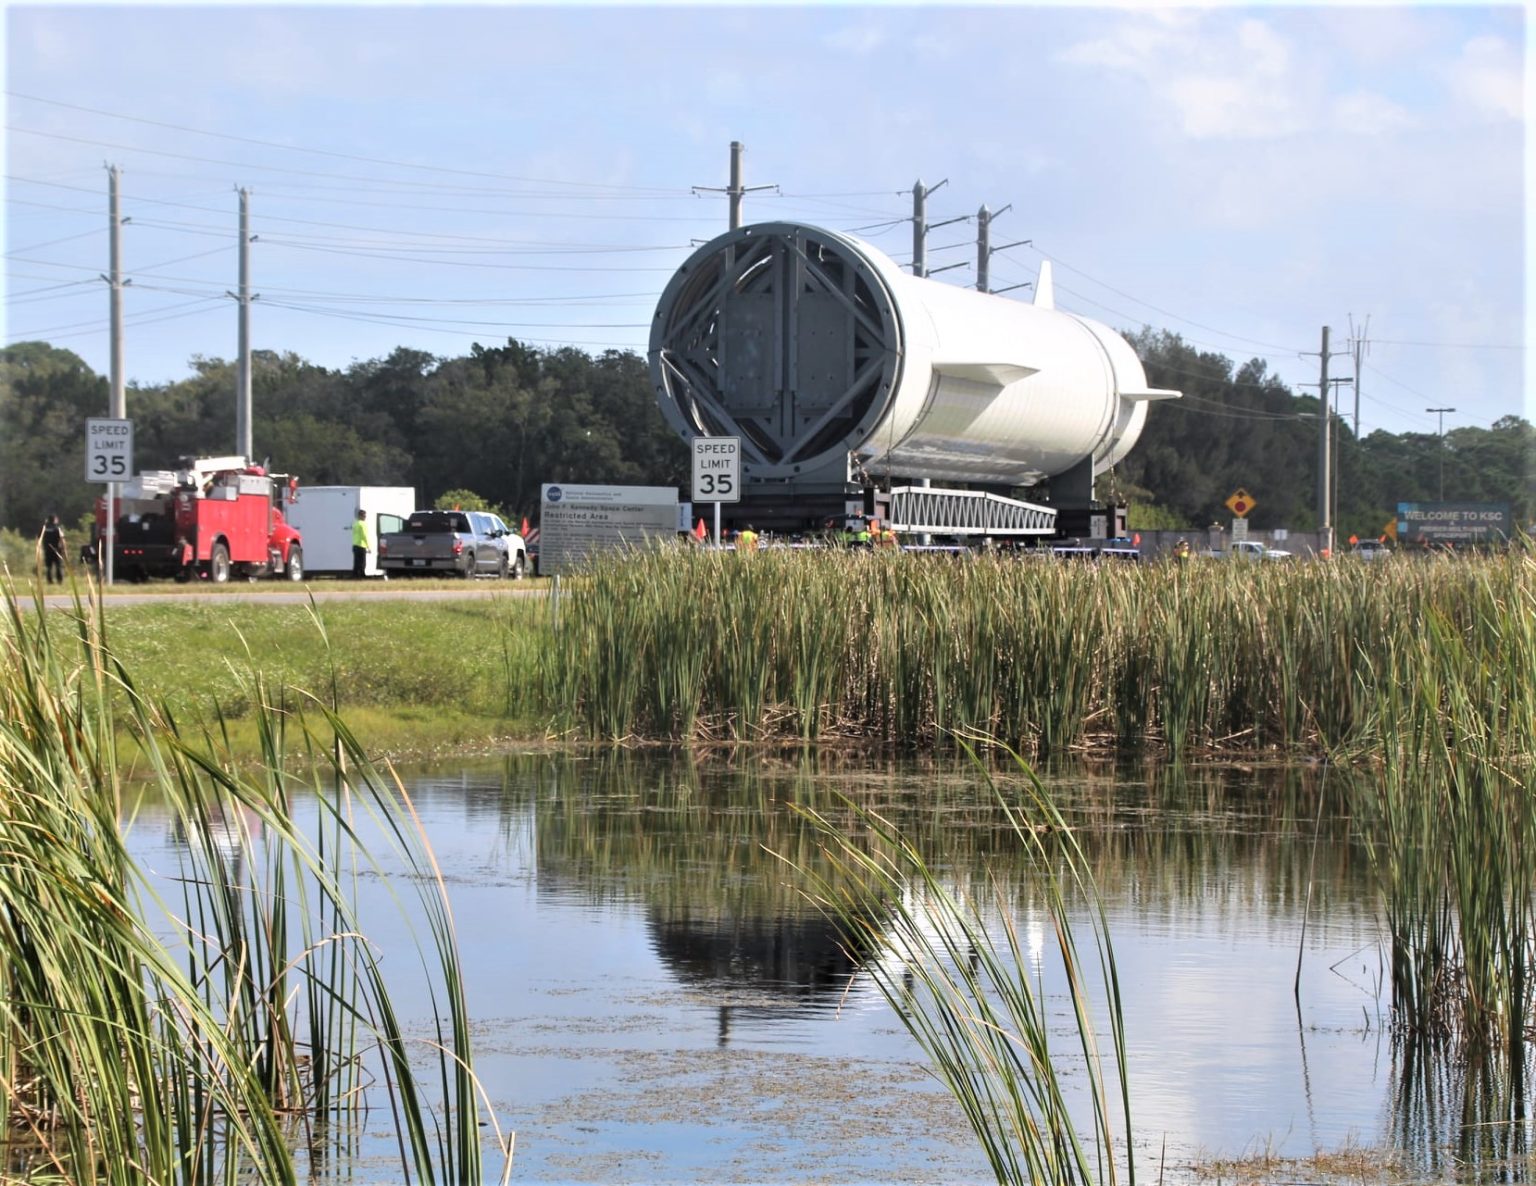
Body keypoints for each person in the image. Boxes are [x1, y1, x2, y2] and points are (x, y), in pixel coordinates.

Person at [40, 514, 65, 583]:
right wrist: (64, 548)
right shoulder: (57, 529)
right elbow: (62, 539)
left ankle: (49, 580)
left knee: (49, 566)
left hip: (47, 550)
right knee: (58, 565)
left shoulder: (45, 529)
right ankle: (59, 580)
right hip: (56, 549)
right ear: (55, 520)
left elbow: (39, 538)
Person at [351, 508, 370, 579]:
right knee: (362, 562)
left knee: (356, 562)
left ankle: (355, 575)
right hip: (361, 545)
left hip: (355, 545)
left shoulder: (355, 524)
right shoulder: (363, 524)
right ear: (360, 516)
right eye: (364, 516)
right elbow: (365, 536)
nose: (365, 517)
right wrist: (368, 546)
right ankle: (362, 575)